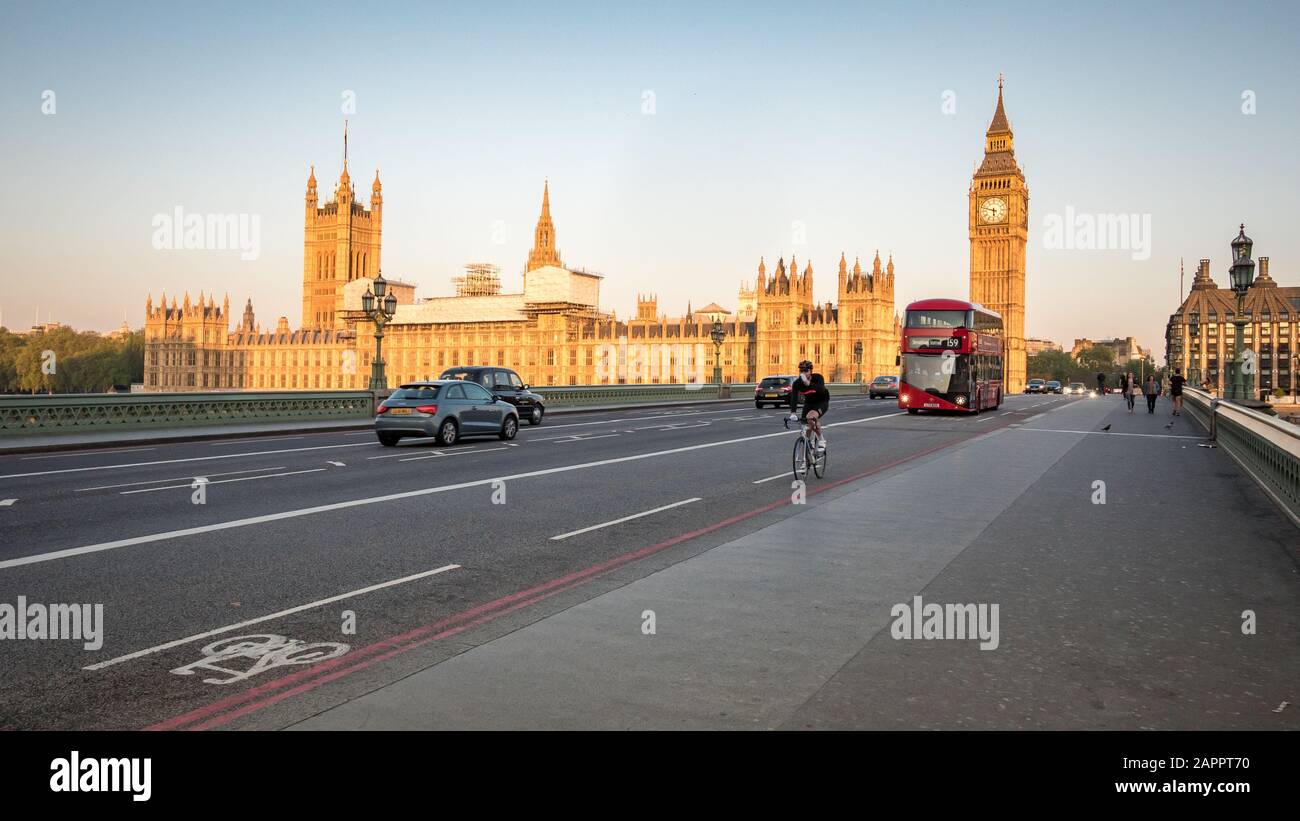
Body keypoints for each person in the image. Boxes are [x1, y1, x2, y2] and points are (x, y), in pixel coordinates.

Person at [786, 359, 830, 451]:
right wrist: (793, 413)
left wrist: (809, 384)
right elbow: (793, 398)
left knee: (810, 417)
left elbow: (821, 390)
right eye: (801, 371)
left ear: (811, 371)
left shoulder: (818, 378)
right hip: (809, 403)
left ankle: (821, 439)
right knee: (805, 428)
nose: (803, 373)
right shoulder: (797, 383)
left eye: (806, 371)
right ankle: (807, 458)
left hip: (821, 402)